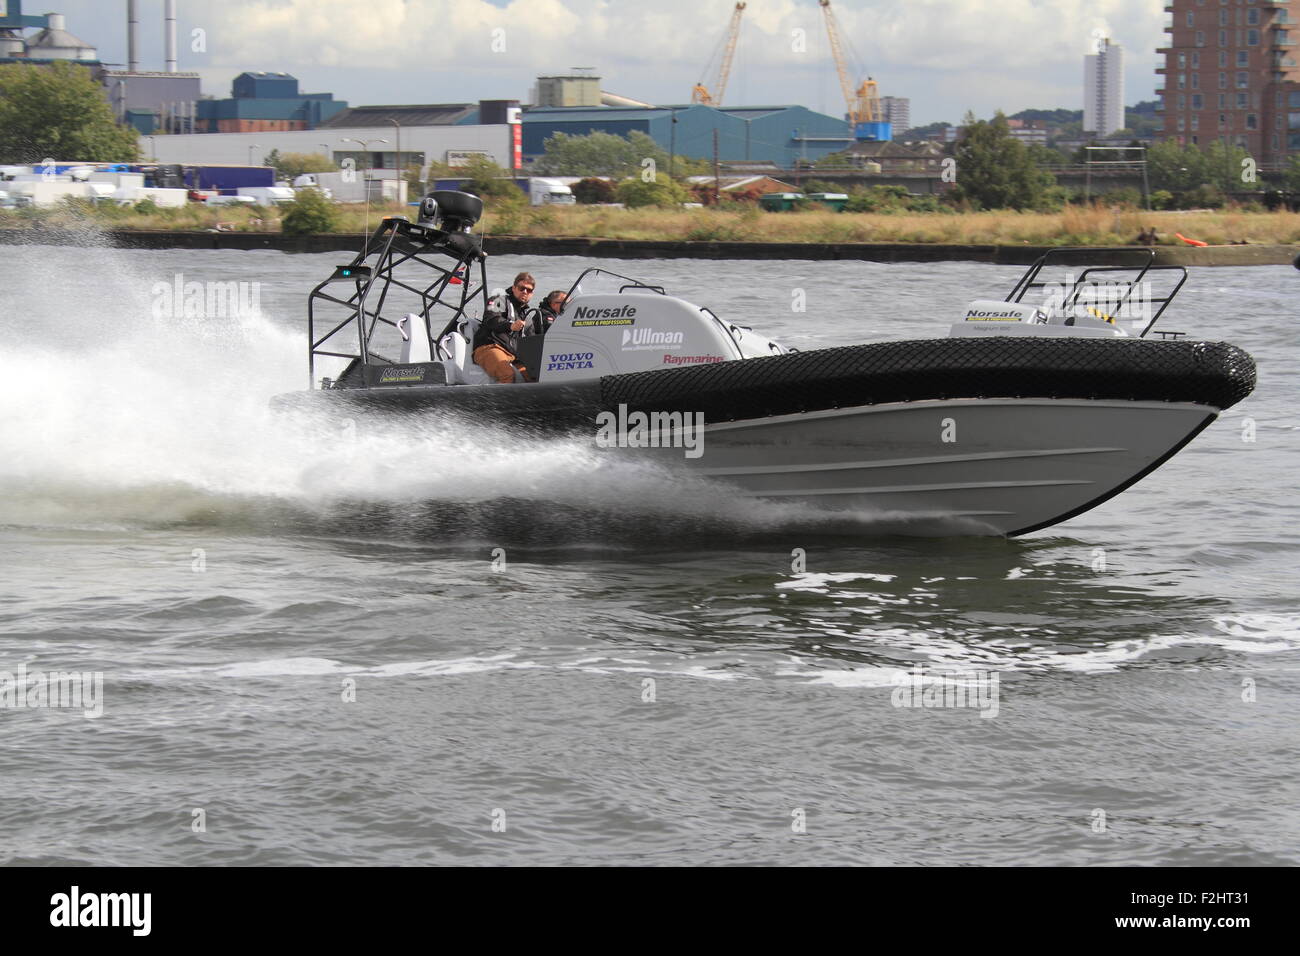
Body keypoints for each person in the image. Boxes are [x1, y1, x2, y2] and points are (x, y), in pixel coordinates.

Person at [472, 272, 536, 383]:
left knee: (535, 375)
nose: (525, 292)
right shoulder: (499, 300)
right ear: (514, 288)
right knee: (507, 374)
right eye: (522, 288)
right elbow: (491, 319)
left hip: (514, 355)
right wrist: (511, 326)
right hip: (490, 347)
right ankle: (496, 401)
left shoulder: (528, 317)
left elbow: (533, 340)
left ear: (532, 294)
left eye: (529, 290)